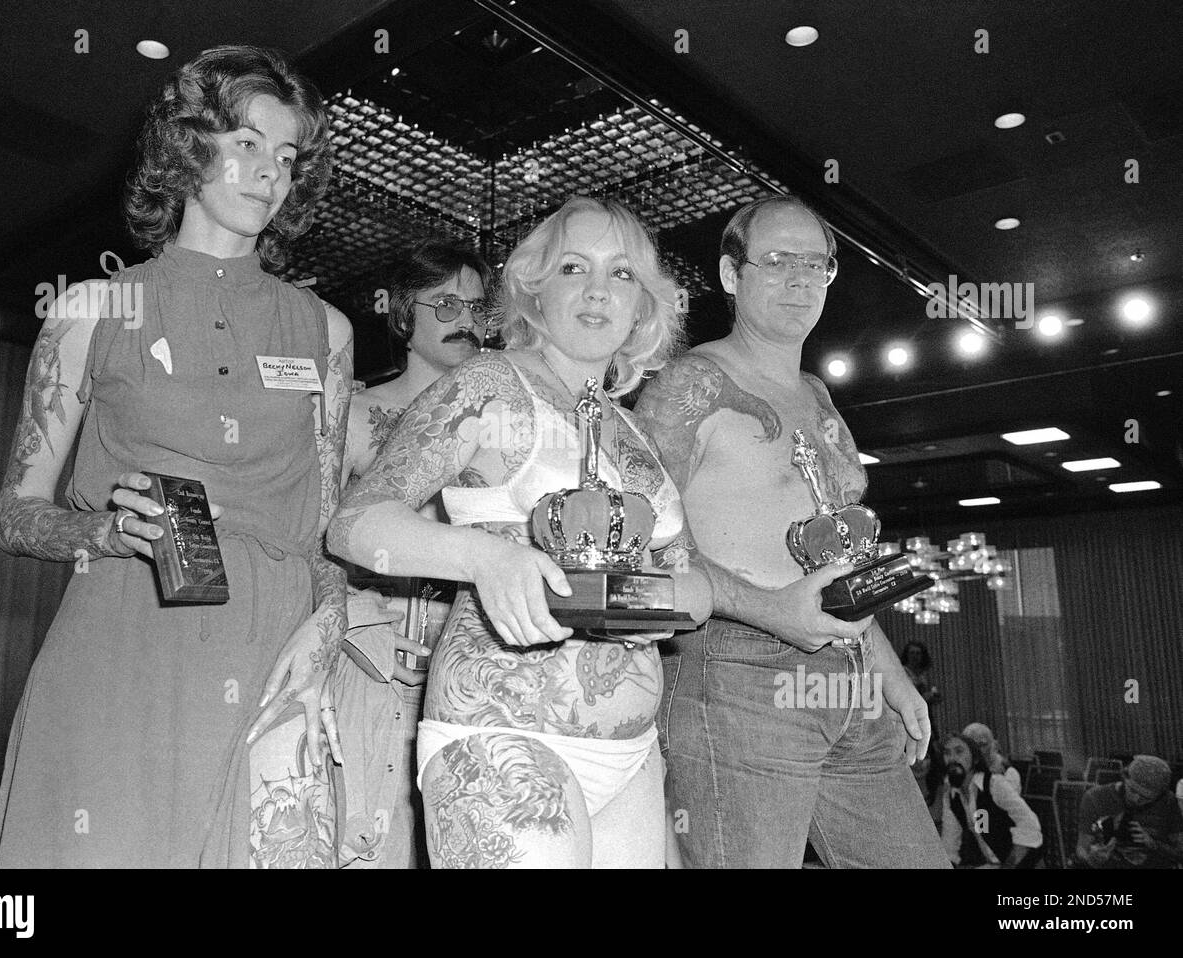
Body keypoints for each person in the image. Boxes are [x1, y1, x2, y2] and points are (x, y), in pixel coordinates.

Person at [0, 46, 354, 867]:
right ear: (191, 144)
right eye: (249, 143)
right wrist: (106, 535)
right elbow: (14, 514)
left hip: (273, 650)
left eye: (288, 157)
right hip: (123, 644)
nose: (270, 173)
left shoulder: (325, 332)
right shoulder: (91, 309)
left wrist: (325, 636)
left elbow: (328, 531)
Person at [329, 196, 713, 868]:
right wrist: (485, 559)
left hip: (630, 759)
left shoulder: (633, 434)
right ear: (532, 290)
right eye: (574, 266)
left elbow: (694, 583)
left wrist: (663, 607)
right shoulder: (488, 386)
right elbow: (357, 525)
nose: (599, 290)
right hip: (503, 742)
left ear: (645, 304)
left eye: (622, 274)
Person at [634, 194, 947, 868]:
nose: (800, 280)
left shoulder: (818, 396)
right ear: (729, 274)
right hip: (738, 674)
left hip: (849, 677)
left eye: (817, 265)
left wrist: (889, 671)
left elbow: (844, 556)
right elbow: (636, 546)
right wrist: (772, 608)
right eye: (777, 261)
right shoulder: (689, 386)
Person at [331, 237, 492, 867]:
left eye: (477, 306)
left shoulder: (505, 426)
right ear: (402, 313)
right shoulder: (355, 414)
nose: (464, 321)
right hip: (373, 667)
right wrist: (353, 628)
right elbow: (309, 536)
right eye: (445, 303)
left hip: (478, 675)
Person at [939, 733, 1044, 867]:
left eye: (959, 751)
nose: (952, 758)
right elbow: (949, 844)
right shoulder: (952, 797)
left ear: (975, 758)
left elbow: (1030, 825)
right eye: (947, 753)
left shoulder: (995, 784)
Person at [1077, 754, 1183, 868]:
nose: (1136, 799)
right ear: (1124, 777)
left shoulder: (1168, 802)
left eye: (1146, 797)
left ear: (1160, 795)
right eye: (1132, 790)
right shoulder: (1096, 797)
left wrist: (1152, 844)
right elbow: (1082, 848)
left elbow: (1180, 851)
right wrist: (1092, 857)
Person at [962, 721, 1021, 792]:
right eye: (972, 746)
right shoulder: (962, 773)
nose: (977, 751)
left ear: (994, 745)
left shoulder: (1008, 773)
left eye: (982, 745)